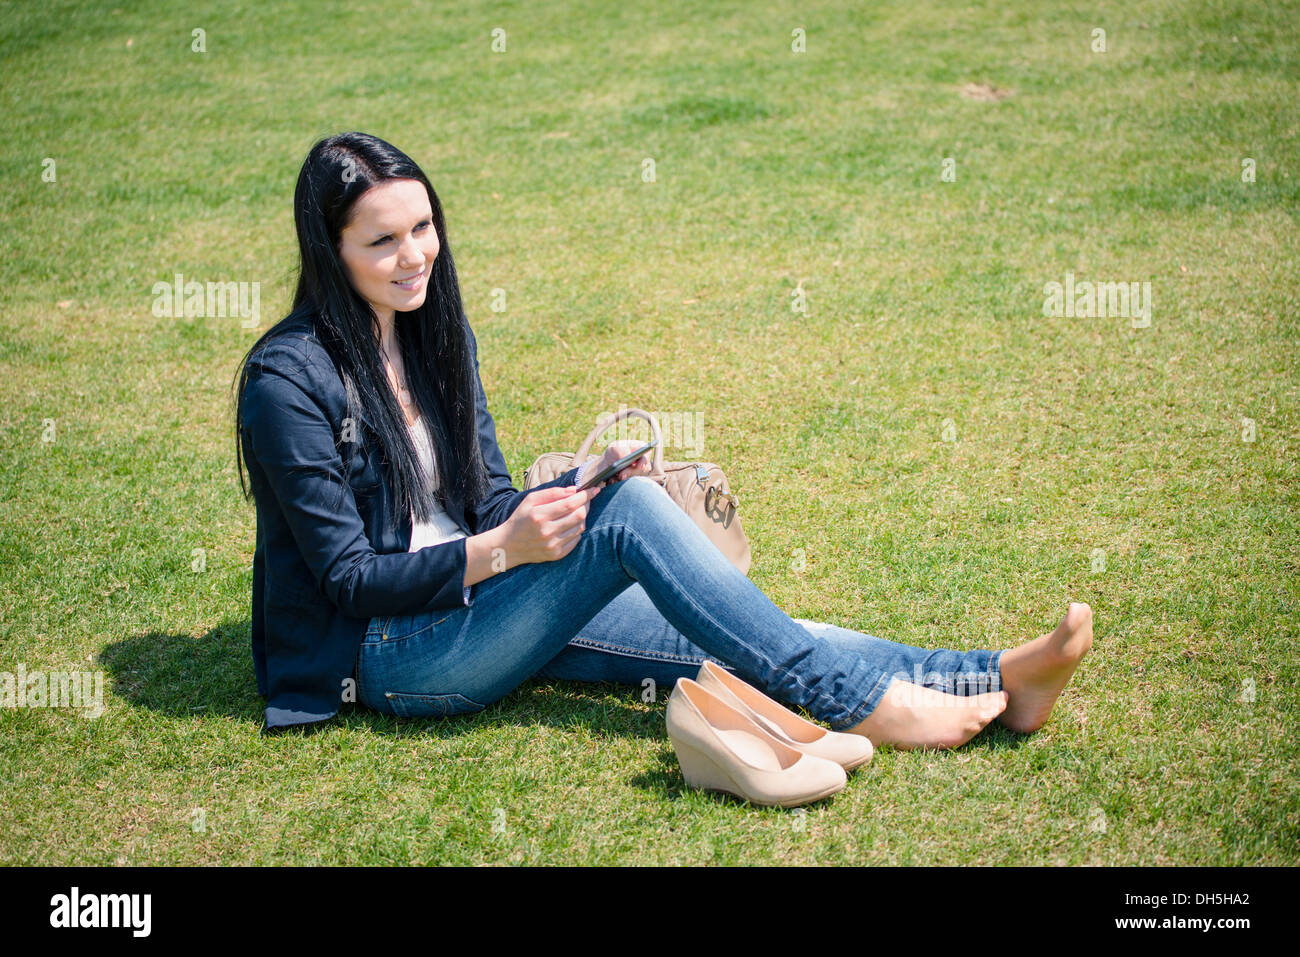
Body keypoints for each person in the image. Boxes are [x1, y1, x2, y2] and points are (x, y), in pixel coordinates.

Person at [233, 132, 1093, 748]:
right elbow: (347, 580)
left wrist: (571, 490)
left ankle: (997, 677)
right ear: (330, 249)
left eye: (423, 228)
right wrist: (501, 550)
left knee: (732, 622)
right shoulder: (288, 382)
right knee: (637, 520)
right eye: (382, 241)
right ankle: (868, 707)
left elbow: (487, 498)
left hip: (494, 602)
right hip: (397, 652)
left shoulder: (432, 333)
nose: (415, 255)